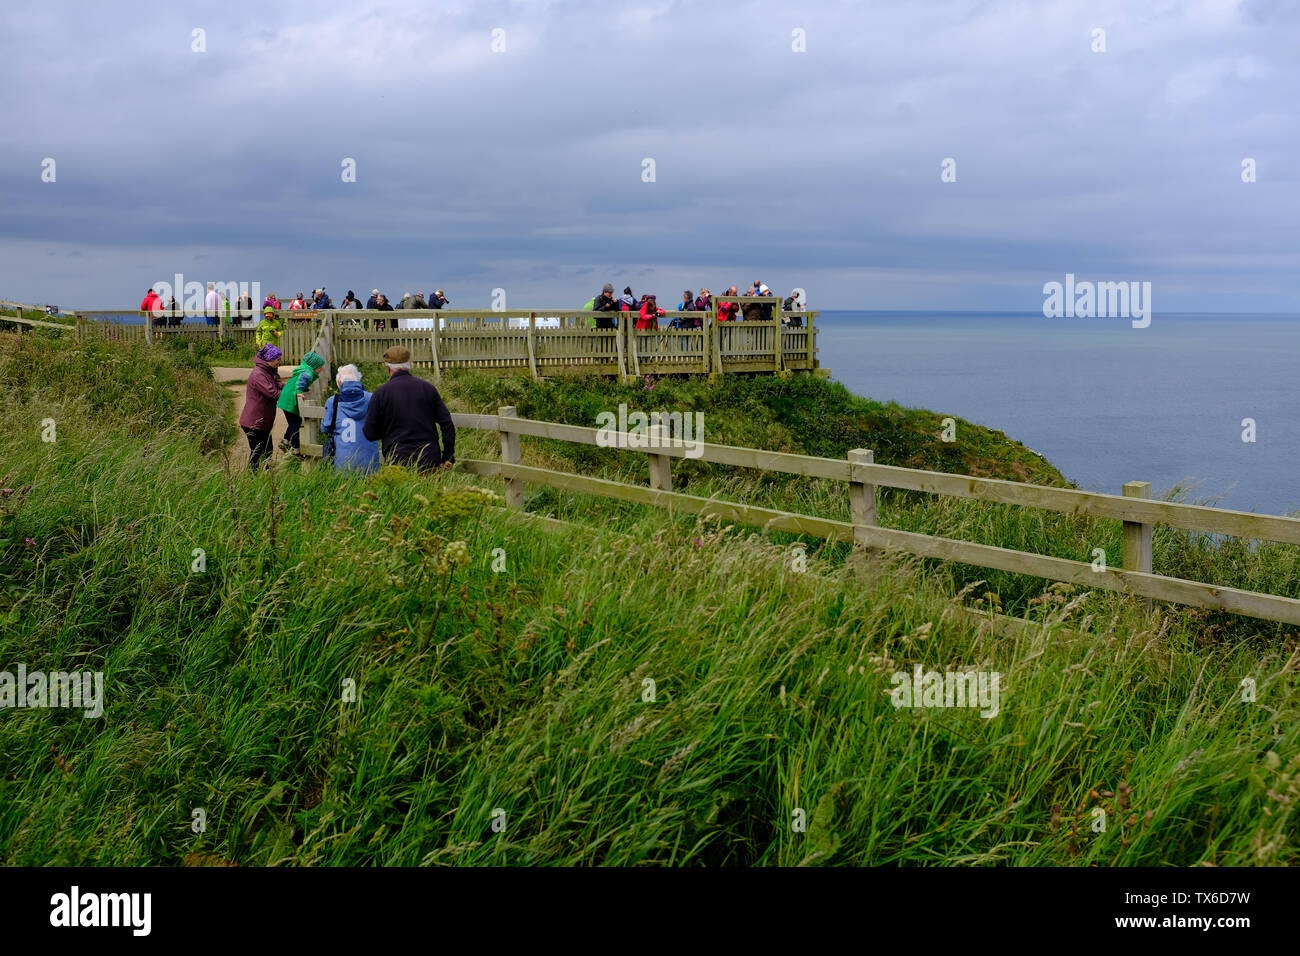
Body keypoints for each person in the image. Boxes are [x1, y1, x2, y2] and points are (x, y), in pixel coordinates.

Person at [363, 345, 455, 471]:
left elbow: (370, 433)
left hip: (397, 462)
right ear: (409, 363)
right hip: (429, 459)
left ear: (387, 367)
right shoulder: (428, 388)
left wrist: (388, 431)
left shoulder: (380, 393)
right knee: (430, 491)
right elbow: (447, 423)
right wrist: (448, 456)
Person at [321, 364, 381, 473]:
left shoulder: (333, 401)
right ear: (358, 380)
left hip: (343, 464)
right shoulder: (372, 398)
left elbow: (325, 428)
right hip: (370, 464)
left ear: (340, 383)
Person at [240, 345, 284, 471]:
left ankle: (265, 476)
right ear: (270, 359)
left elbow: (277, 385)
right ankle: (253, 477)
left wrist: (291, 387)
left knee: (267, 450)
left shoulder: (266, 371)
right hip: (253, 423)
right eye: (278, 359)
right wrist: (291, 394)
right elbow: (273, 393)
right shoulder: (258, 375)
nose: (280, 363)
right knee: (258, 451)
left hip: (262, 423)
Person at [277, 350, 325, 455]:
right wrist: (299, 391)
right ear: (314, 366)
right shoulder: (307, 373)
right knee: (295, 425)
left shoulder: (306, 371)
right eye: (320, 367)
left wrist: (304, 389)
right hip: (289, 400)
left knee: (294, 422)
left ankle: (285, 441)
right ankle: (296, 448)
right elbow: (301, 381)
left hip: (286, 398)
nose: (322, 369)